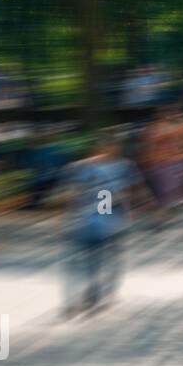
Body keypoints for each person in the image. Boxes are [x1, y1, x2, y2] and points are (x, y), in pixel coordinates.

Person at [61, 131, 149, 317]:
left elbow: (73, 195)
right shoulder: (119, 167)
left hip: (89, 221)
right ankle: (96, 295)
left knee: (89, 261)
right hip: (104, 223)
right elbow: (109, 199)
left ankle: (82, 298)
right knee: (105, 260)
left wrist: (70, 218)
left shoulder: (84, 167)